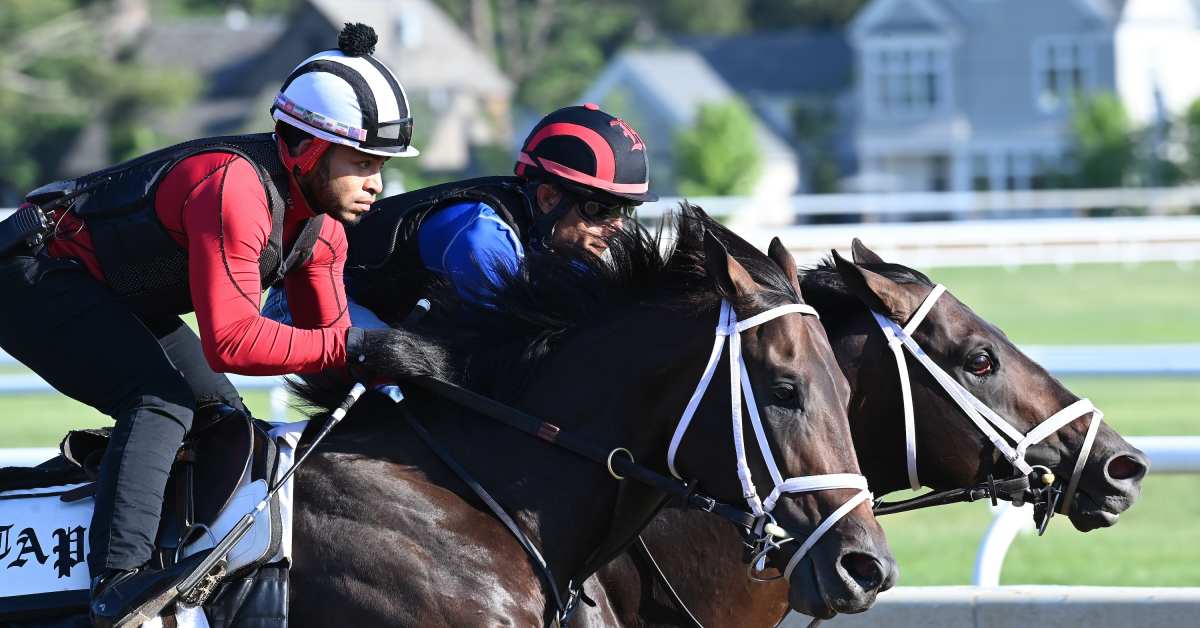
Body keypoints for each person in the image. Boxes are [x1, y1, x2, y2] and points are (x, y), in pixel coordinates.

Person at [0, 23, 414, 626]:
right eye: (362, 161)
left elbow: (331, 362)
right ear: (303, 149)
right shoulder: (233, 187)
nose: (376, 182)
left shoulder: (323, 231)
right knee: (161, 401)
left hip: (108, 292)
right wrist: (364, 344)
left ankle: (166, 544)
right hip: (32, 276)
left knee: (224, 421)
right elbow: (233, 342)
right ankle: (119, 585)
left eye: (382, 163)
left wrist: (407, 388)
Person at [264, 103, 657, 329]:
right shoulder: (482, 235)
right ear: (549, 196)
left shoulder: (558, 240)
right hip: (303, 302)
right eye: (599, 208)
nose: (616, 225)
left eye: (622, 210)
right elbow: (513, 341)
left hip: (378, 312)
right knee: (407, 393)